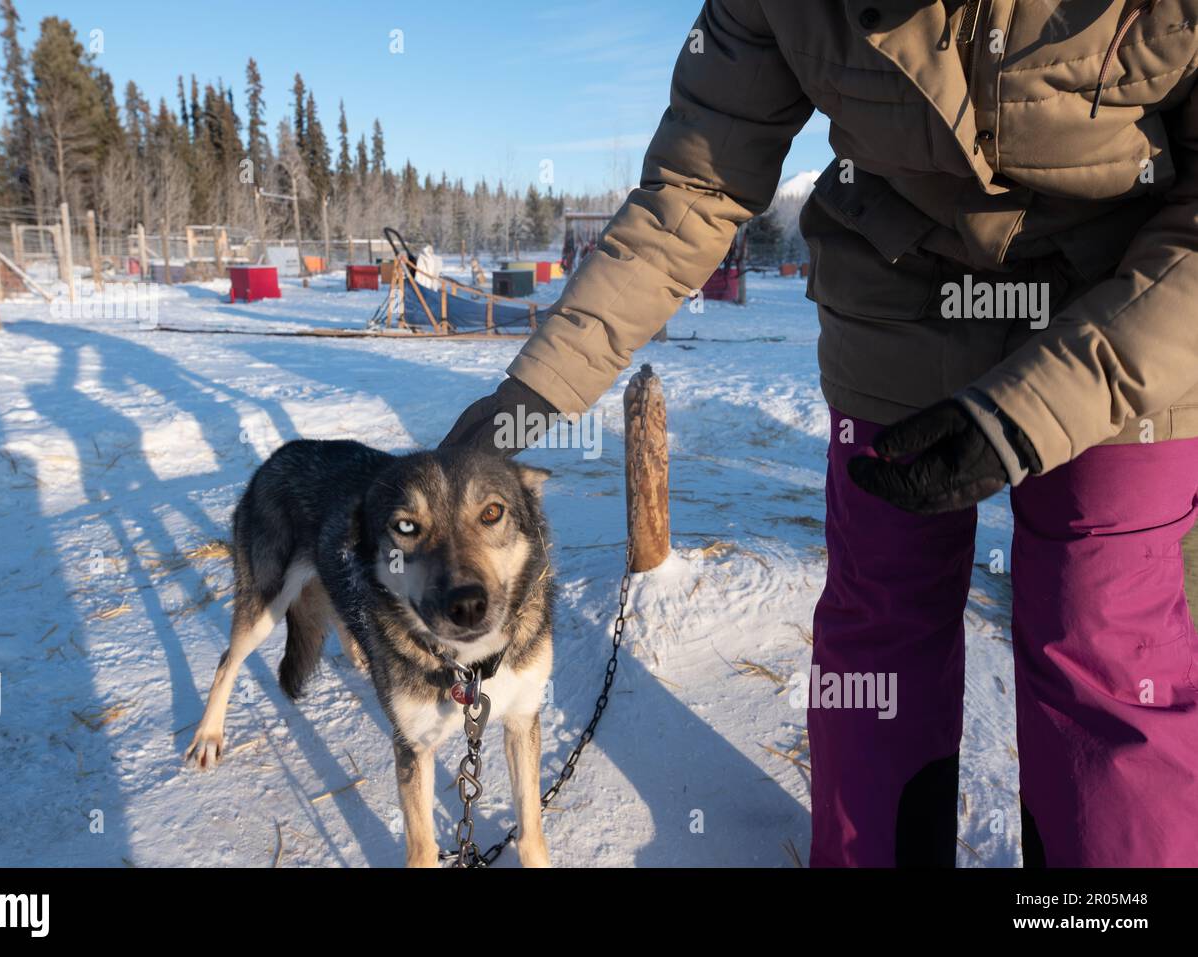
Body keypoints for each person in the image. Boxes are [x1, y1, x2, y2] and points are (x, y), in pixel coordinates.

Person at [442, 0, 1198, 867]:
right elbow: (696, 188)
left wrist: (1026, 414)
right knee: (882, 617)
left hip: (1132, 302)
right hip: (898, 296)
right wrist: (536, 392)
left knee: (1100, 628)